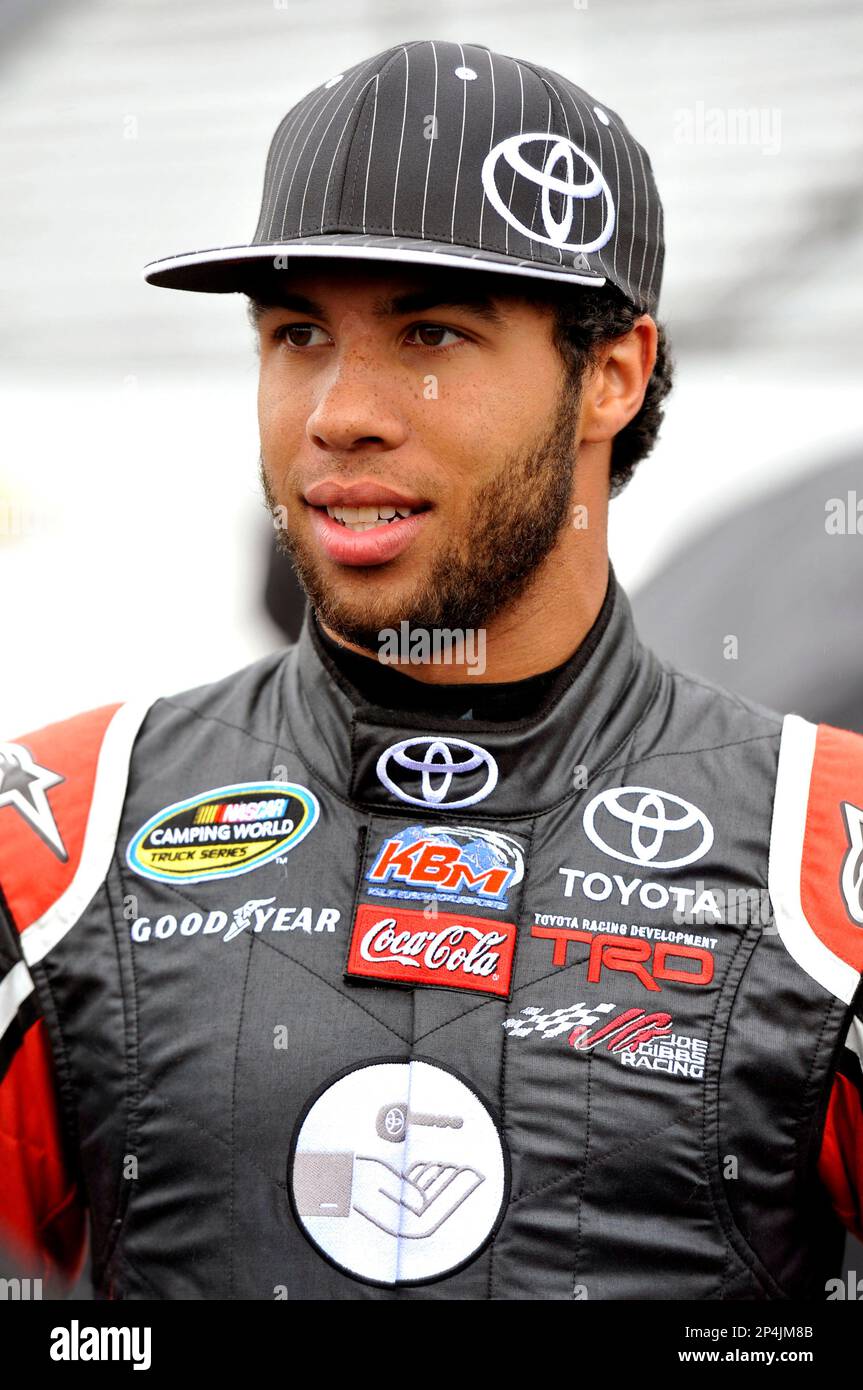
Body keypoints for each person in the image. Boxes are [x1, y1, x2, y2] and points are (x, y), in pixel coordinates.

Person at [2, 38, 862, 1301]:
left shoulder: (825, 848)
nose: (340, 410)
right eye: (297, 331)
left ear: (609, 374)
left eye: (432, 333)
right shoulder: (53, 834)